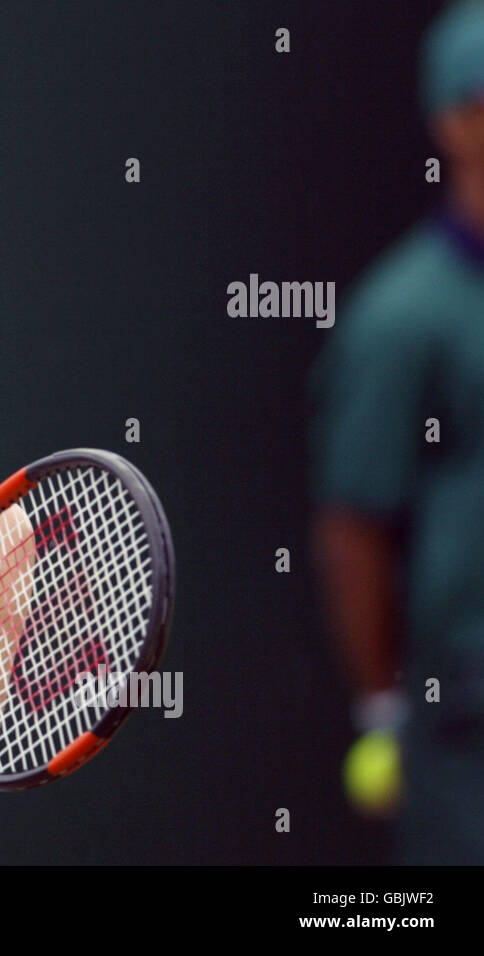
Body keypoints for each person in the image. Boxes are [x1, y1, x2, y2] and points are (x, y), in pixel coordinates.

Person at [310, 0, 484, 864]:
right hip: (464, 728)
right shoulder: (400, 318)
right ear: (456, 123)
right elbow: (354, 528)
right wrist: (386, 713)